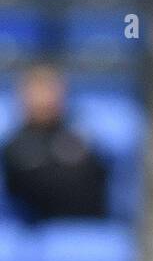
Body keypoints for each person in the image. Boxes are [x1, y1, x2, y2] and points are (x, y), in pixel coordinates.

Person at [1, 63, 107, 222]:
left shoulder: (86, 140)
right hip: (28, 230)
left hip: (83, 229)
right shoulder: (12, 147)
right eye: (36, 90)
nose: (43, 100)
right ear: (22, 96)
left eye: (49, 90)